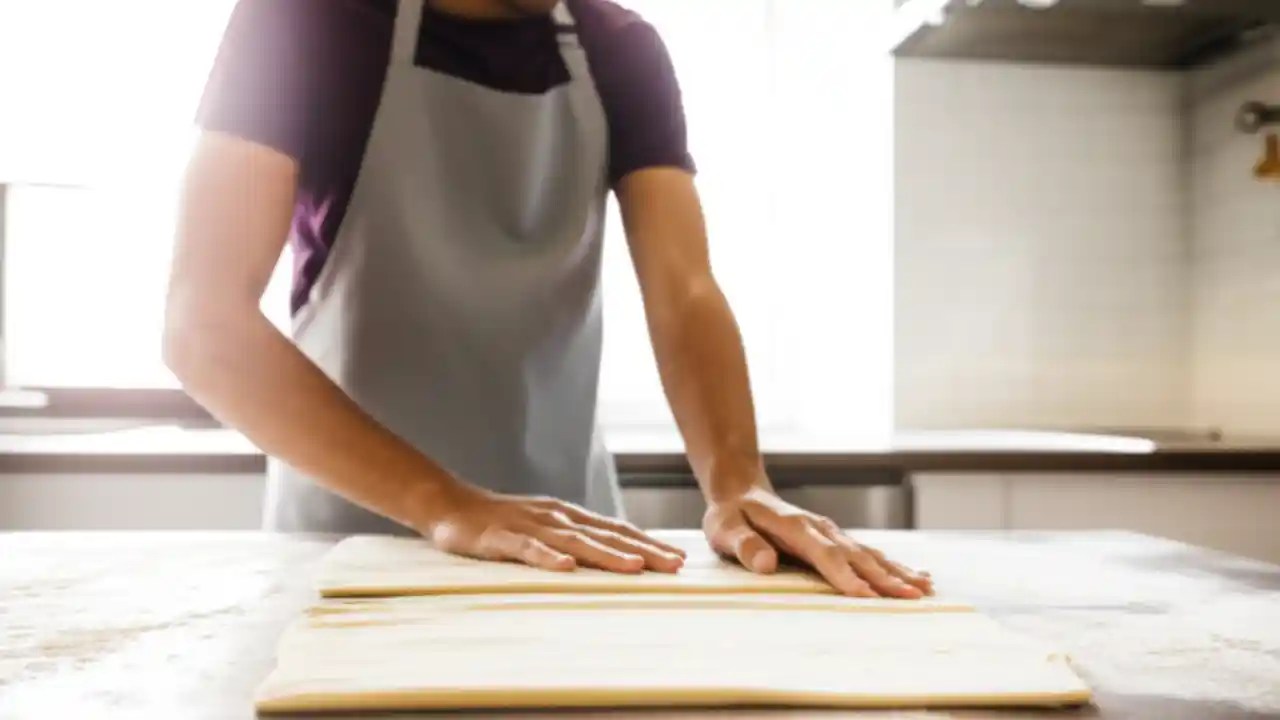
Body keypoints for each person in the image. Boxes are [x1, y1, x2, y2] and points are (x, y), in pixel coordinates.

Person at [164, 0, 931, 599]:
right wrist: (445, 503)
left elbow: (684, 289)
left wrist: (739, 482)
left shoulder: (620, 51)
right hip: (351, 547)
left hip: (571, 552)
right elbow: (203, 324)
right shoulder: (307, 23)